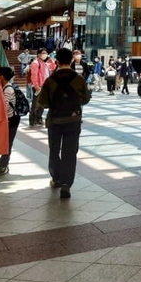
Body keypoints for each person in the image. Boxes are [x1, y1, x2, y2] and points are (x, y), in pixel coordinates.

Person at [38, 48, 91, 199]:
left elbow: (44, 103)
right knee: (70, 152)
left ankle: (56, 179)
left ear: (57, 61)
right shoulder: (79, 79)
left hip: (54, 121)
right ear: (72, 60)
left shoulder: (50, 80)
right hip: (73, 121)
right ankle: (67, 185)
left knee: (54, 150)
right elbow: (86, 99)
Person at [0, 67, 20, 176]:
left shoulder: (8, 89)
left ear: (1, 76)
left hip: (11, 120)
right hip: (9, 120)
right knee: (6, 143)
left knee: (7, 144)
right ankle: (3, 165)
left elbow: (3, 107)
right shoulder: (4, 87)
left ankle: (3, 166)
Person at [28, 48, 54, 126]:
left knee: (42, 104)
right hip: (38, 86)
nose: (45, 54)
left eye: (46, 53)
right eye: (43, 53)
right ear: (39, 54)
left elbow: (53, 66)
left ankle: (39, 118)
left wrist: (50, 59)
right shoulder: (35, 63)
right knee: (36, 104)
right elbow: (34, 76)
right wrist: (36, 86)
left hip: (45, 86)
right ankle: (33, 120)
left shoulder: (44, 63)